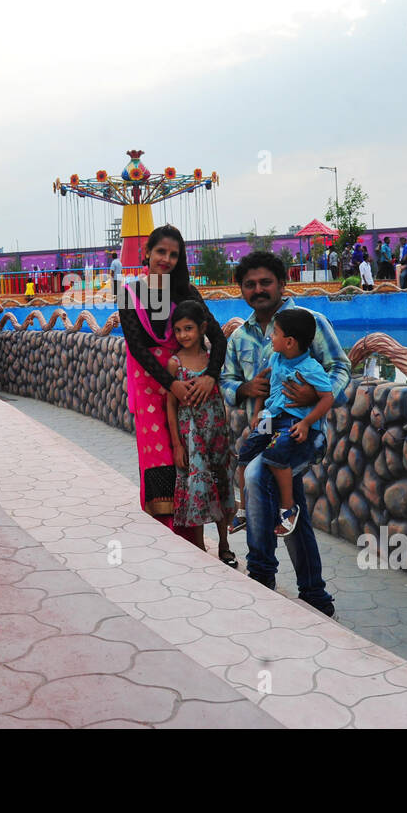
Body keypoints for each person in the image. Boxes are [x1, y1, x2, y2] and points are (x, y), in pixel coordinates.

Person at [219, 251, 348, 616]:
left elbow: (340, 367)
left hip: (301, 433)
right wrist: (245, 389)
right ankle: (314, 593)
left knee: (258, 476)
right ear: (241, 290)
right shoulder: (239, 337)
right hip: (264, 429)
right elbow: (226, 381)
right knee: (288, 507)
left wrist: (313, 395)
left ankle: (262, 574)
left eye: (266, 282)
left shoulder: (310, 322)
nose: (258, 290)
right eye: (250, 284)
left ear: (281, 284)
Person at [118, 225, 226, 536]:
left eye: (174, 254)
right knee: (161, 461)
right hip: (151, 386)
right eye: (161, 252)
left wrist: (210, 376)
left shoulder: (186, 293)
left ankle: (193, 541)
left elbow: (218, 338)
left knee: (188, 460)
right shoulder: (129, 295)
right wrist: (171, 384)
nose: (166, 259)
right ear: (147, 253)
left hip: (188, 387)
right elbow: (137, 349)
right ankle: (168, 537)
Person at [235, 308, 336, 537]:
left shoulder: (311, 368)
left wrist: (307, 423)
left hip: (293, 420)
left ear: (289, 342)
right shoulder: (276, 359)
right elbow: (266, 385)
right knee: (245, 454)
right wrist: (257, 413)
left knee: (276, 455)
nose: (271, 337)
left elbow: (327, 398)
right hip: (271, 417)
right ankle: (243, 509)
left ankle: (288, 508)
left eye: (275, 333)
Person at [165, 299, 237, 565]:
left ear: (202, 328)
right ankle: (199, 546)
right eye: (178, 330)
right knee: (197, 487)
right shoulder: (175, 364)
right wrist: (177, 444)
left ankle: (224, 544)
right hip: (191, 436)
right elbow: (170, 405)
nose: (183, 335)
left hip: (216, 434)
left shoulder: (212, 362)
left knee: (221, 483)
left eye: (189, 329)